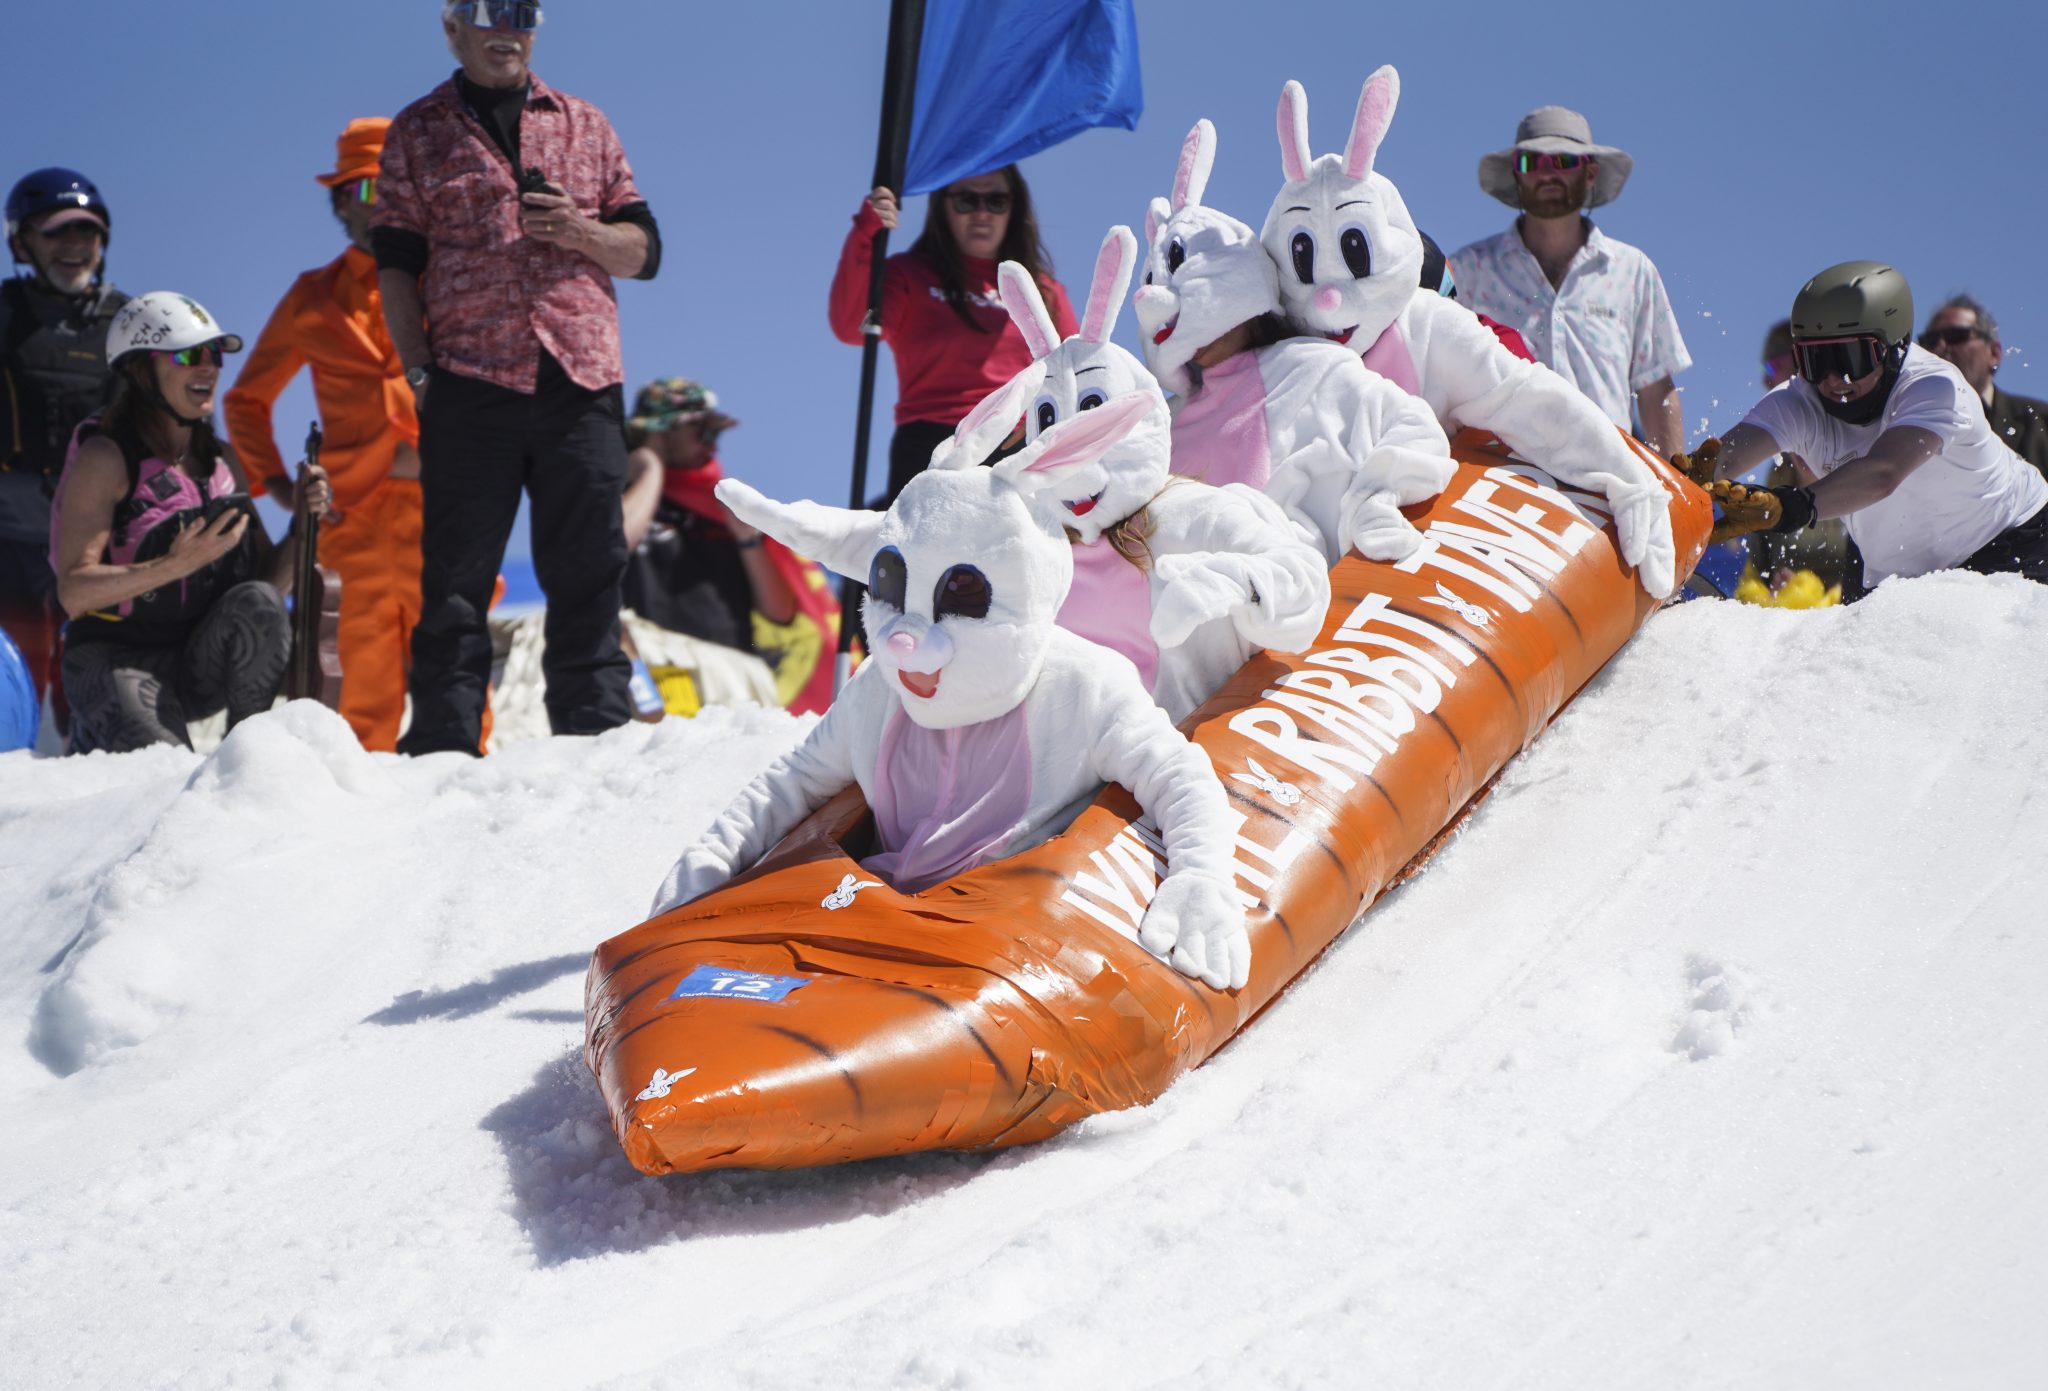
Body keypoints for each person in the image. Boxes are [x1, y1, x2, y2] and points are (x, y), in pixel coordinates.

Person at [373, 0, 660, 755]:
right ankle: (442, 741)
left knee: (591, 567)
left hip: (580, 377)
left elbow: (644, 252)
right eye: (487, 11)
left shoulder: (585, 123)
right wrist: (420, 374)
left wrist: (579, 230)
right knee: (456, 581)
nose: (507, 27)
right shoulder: (417, 131)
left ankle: (595, 734)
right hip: (468, 380)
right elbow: (396, 267)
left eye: (523, 11)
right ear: (451, 26)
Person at [47, 292, 330, 752]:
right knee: (168, 778)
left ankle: (250, 758)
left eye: (214, 355)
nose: (209, 367)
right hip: (113, 659)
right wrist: (174, 565)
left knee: (257, 600)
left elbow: (265, 589)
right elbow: (73, 591)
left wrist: (304, 522)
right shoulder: (105, 457)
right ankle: (92, 735)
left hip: (195, 663)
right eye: (188, 355)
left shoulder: (224, 462)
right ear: (141, 371)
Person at [223, 119, 424, 752]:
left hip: (442, 505)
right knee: (358, 681)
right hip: (351, 514)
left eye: (395, 186)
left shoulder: (448, 279)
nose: (381, 201)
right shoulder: (311, 298)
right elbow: (246, 398)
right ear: (340, 200)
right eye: (366, 189)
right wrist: (277, 484)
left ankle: (473, 810)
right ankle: (364, 816)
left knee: (457, 655)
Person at [1687, 262, 2048, 590]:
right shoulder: (1798, 401)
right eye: (1814, 360)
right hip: (1898, 575)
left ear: (1893, 348)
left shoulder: (1935, 387)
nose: (1831, 379)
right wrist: (1683, 483)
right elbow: (1719, 461)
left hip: (2014, 543)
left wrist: (1789, 508)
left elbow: (1883, 472)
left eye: (1849, 358)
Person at [828, 165, 1077, 509]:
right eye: (966, 200)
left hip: (1015, 449)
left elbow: (1075, 375)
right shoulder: (909, 274)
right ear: (941, 206)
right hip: (930, 444)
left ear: (1014, 208)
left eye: (996, 201)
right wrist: (866, 232)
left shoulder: (1042, 290)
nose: (981, 213)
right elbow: (851, 326)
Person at [1450, 105, 1690, 460]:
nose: (1547, 174)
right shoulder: (1468, 272)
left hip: (1607, 489)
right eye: (1532, 163)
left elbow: (1656, 391)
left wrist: (1678, 492)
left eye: (1563, 162)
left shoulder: (1632, 271)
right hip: (1499, 486)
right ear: (1517, 174)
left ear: (1590, 174)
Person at [618, 378, 838, 714]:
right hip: (648, 669)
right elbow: (607, 549)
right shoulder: (623, 496)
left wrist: (749, 540)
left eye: (716, 432)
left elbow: (779, 616)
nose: (713, 444)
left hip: (725, 679)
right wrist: (649, 470)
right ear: (661, 433)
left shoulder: (723, 505)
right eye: (702, 430)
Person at [2, 168, 128, 703]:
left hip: (99, 534)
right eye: (56, 232)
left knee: (90, 676)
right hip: (9, 532)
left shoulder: (128, 321)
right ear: (22, 241)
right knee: (16, 668)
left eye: (87, 232)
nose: (74, 245)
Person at [1918, 294, 2048, 480]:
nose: (1941, 346)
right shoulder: (1907, 426)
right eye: (1930, 341)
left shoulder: (2041, 422)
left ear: (1994, 353)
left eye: (1956, 336)